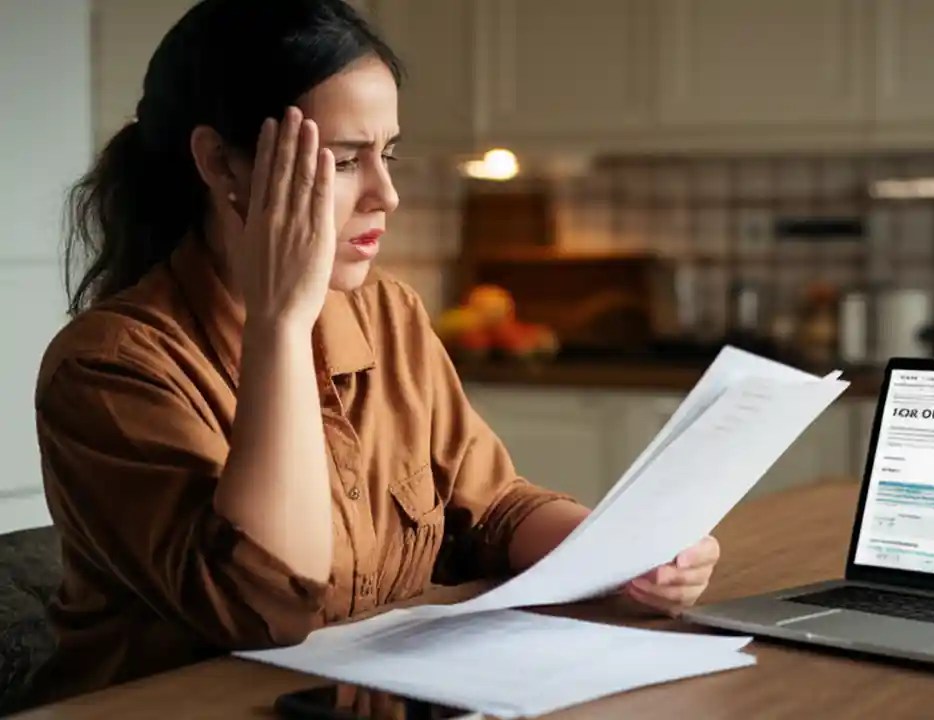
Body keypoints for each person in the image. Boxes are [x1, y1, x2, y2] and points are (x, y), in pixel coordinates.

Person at [29, 0, 719, 705]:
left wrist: (623, 555)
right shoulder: (106, 367)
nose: (385, 194)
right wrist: (281, 323)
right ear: (219, 163)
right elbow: (265, 605)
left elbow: (494, 509)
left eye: (386, 155)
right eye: (344, 160)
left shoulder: (386, 312)